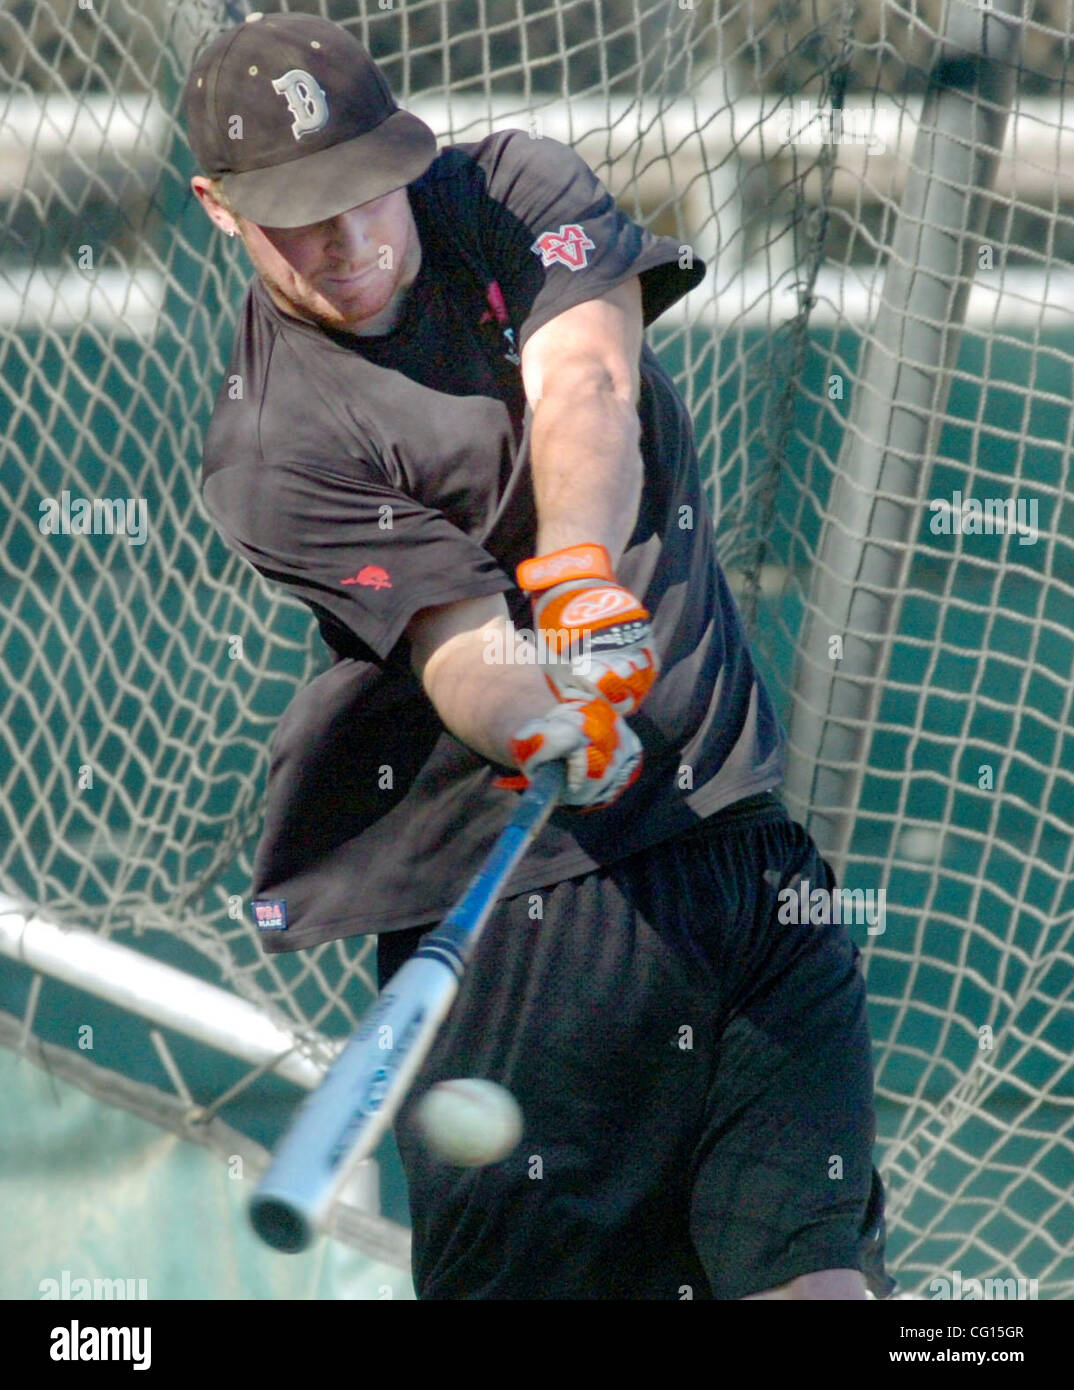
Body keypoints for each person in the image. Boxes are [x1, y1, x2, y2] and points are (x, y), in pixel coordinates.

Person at [184, 11, 892, 1300]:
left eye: (363, 192)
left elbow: (588, 388)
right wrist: (543, 719)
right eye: (297, 215)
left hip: (737, 842)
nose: (346, 241)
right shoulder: (272, 448)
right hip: (536, 915)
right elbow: (461, 653)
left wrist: (577, 575)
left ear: (408, 154)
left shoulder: (513, 192)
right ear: (218, 208)